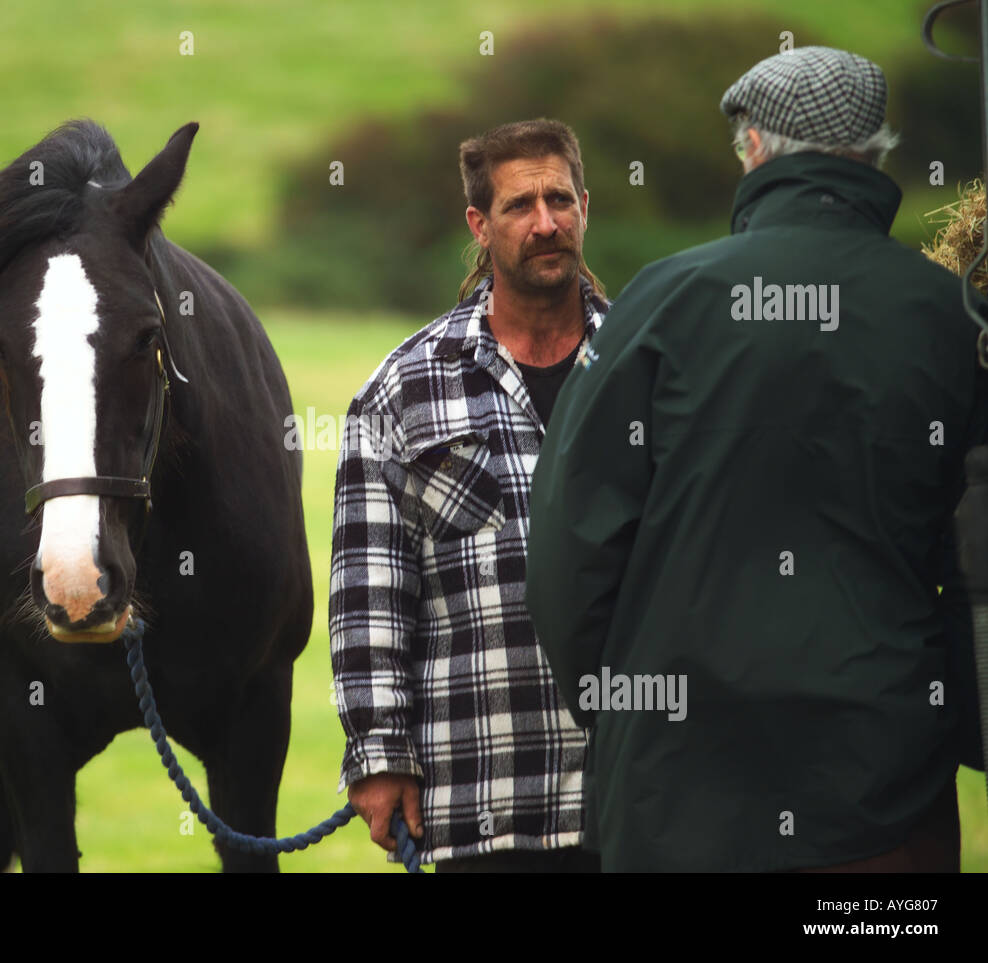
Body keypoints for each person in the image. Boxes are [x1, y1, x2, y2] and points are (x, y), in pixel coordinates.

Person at [526, 46, 988, 872]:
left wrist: (627, 712)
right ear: (877, 152)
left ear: (754, 150)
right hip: (887, 795)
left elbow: (569, 554)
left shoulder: (660, 302)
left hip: (677, 794)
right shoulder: (957, 319)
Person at [330, 119, 609, 871]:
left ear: (586, 205)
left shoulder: (645, 368)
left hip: (631, 800)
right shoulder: (401, 389)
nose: (545, 223)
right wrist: (379, 755)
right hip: (479, 799)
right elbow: (369, 592)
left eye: (560, 199)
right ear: (480, 226)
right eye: (520, 206)